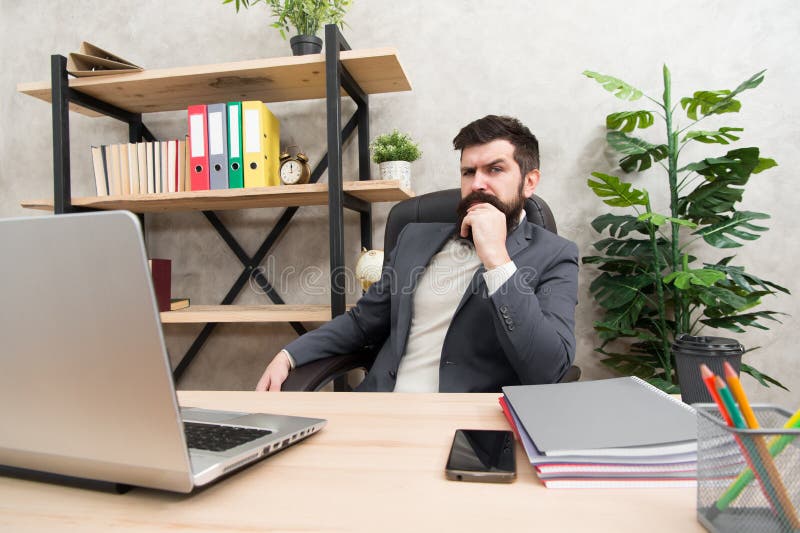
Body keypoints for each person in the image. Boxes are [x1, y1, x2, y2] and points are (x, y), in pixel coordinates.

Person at [256, 115, 579, 393]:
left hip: (468, 429)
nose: (478, 183)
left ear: (529, 182)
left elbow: (547, 369)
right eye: (469, 172)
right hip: (381, 407)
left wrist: (497, 259)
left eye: (495, 169)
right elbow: (363, 322)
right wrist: (290, 354)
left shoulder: (556, 255)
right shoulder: (415, 237)